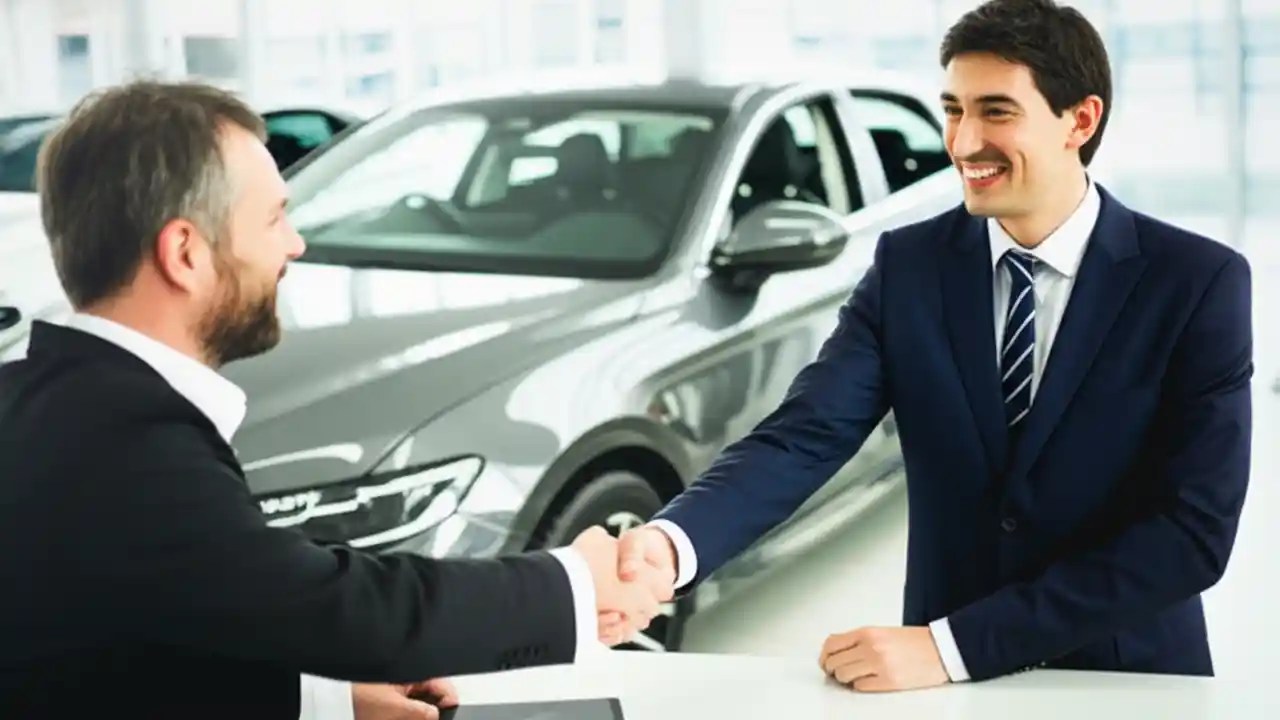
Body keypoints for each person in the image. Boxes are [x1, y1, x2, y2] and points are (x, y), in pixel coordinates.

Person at [609, 0, 1253, 690]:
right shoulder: (909, 268)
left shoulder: (1196, 283)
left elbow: (1190, 534)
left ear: (1080, 120)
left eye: (996, 112)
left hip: (1124, 677)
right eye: (953, 110)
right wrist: (669, 545)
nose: (963, 141)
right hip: (942, 690)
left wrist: (954, 647)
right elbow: (803, 437)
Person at [0, 81, 669, 718]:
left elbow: (109, 660)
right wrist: (574, 584)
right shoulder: (130, 443)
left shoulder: (42, 398)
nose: (294, 245)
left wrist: (318, 704)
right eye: (273, 219)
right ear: (185, 253)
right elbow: (335, 606)